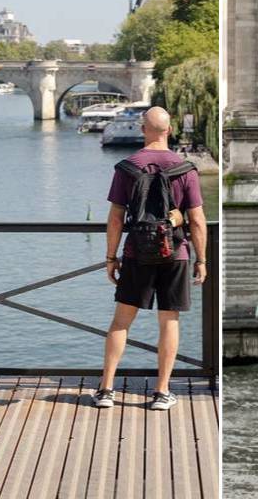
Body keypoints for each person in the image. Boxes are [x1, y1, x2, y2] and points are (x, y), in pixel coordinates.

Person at [94, 106, 207, 412]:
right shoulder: (186, 169)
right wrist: (202, 260)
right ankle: (161, 392)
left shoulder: (126, 168)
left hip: (137, 252)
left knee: (121, 322)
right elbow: (197, 220)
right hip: (176, 253)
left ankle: (106, 390)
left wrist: (110, 257)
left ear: (143, 130)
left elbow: (116, 218)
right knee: (169, 320)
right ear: (169, 131)